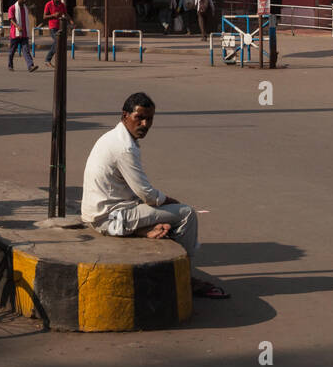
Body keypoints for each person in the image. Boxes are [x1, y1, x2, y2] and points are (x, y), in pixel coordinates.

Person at [80, 92, 229, 299]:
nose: (144, 124)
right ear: (125, 115)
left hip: (105, 212)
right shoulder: (124, 147)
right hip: (109, 217)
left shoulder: (114, 137)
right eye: (139, 118)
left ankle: (147, 232)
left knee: (164, 218)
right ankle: (183, 277)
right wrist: (170, 202)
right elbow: (146, 194)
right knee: (186, 214)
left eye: (149, 119)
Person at [5, 0, 38, 72]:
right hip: (15, 34)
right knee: (12, 51)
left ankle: (30, 66)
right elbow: (11, 19)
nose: (24, 1)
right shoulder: (12, 8)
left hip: (24, 33)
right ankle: (10, 65)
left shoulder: (25, 8)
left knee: (26, 50)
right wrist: (17, 26)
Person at [42, 0, 68, 68]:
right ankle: (47, 60)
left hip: (61, 27)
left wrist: (71, 22)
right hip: (53, 27)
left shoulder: (62, 5)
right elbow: (44, 17)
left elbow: (65, 14)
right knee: (57, 41)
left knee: (60, 43)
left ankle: (58, 61)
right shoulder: (48, 4)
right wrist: (53, 15)